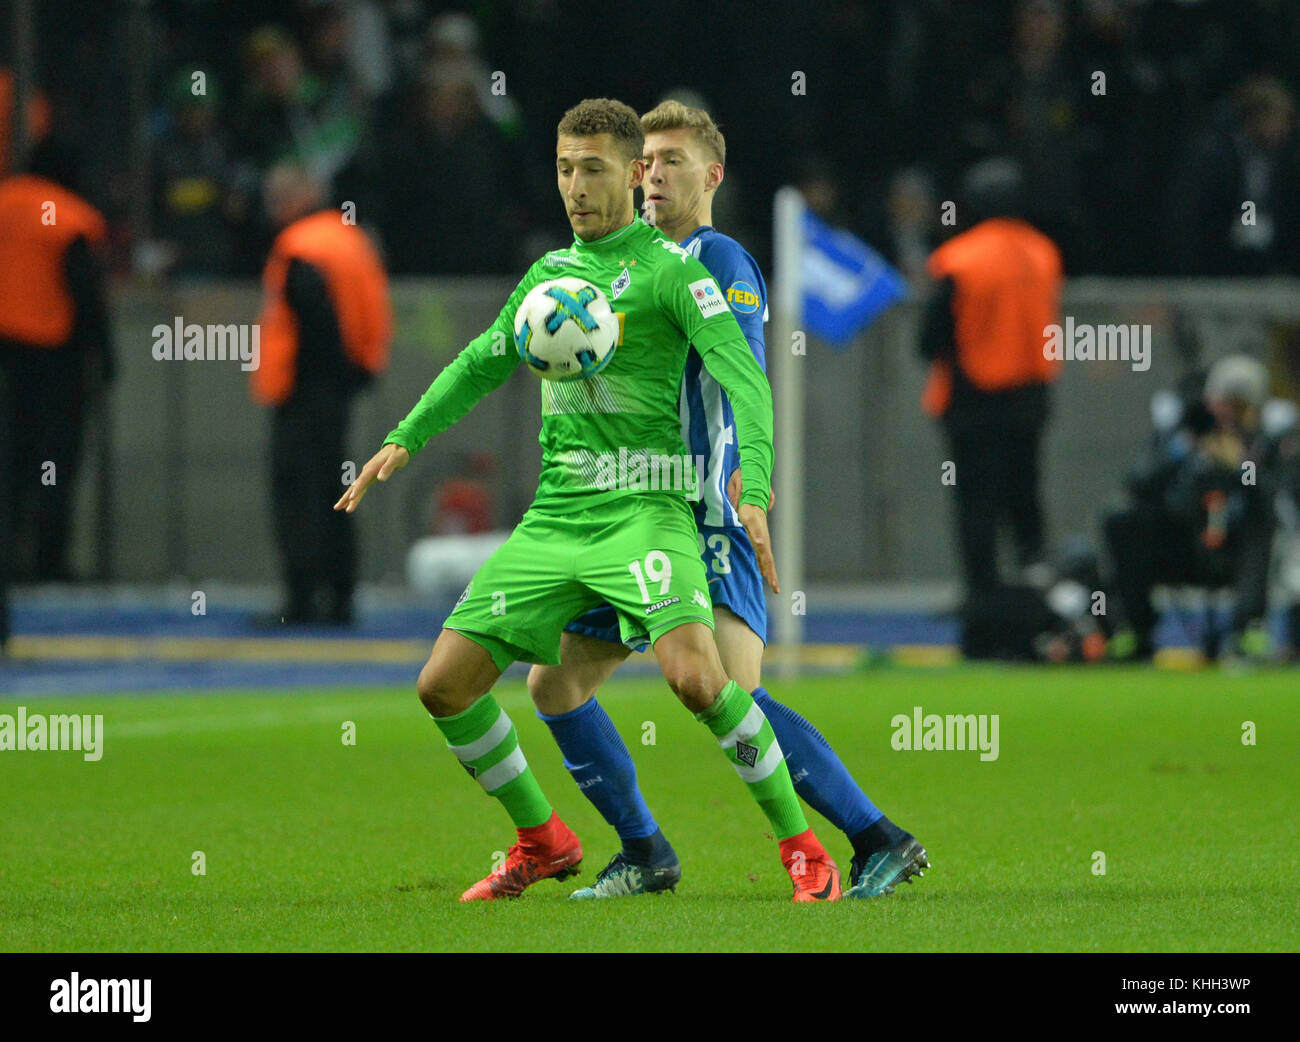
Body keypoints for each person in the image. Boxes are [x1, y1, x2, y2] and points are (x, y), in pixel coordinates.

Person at [335, 97, 841, 903]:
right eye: (565, 168)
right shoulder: (549, 276)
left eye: (594, 169)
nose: (574, 186)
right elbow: (479, 361)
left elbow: (744, 376)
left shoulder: (678, 273)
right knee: (444, 685)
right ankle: (543, 838)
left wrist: (759, 485)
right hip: (557, 518)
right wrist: (403, 438)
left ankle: (804, 849)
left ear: (634, 171)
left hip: (648, 509)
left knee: (700, 683)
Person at [526, 99, 928, 901]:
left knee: (728, 694)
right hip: (627, 518)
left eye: (671, 160)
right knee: (554, 684)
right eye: (644, 161)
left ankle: (878, 837)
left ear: (711, 176)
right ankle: (644, 850)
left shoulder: (721, 262)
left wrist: (750, 487)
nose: (651, 176)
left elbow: (745, 381)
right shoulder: (623, 264)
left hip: (705, 516)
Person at [252, 162, 391, 625]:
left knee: (298, 494)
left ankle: (302, 599)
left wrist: (313, 379)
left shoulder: (300, 247)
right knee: (334, 490)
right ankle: (340, 596)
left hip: (305, 389)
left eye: (277, 199)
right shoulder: (348, 240)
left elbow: (315, 323)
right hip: (339, 388)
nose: (272, 211)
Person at [919, 158, 1062, 601]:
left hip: (972, 401)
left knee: (976, 504)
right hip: (1031, 399)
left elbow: (929, 340)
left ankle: (982, 599)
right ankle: (1040, 592)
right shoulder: (1044, 253)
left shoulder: (958, 259)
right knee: (1025, 497)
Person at [1105, 355, 1281, 662]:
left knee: (1261, 526)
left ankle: (1247, 629)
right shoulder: (1183, 430)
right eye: (1223, 403)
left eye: (1238, 407)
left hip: (1232, 551)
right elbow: (1139, 483)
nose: (1227, 414)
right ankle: (1137, 630)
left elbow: (1269, 497)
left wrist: (1240, 466)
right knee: (1122, 520)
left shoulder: (1265, 443)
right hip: (1182, 543)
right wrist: (1184, 448)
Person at [0, 138, 114, 584]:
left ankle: (9, 558)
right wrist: (103, 355)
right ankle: (47, 560)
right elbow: (86, 295)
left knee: (11, 463)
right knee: (54, 462)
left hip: (6, 356)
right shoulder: (69, 217)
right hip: (53, 358)